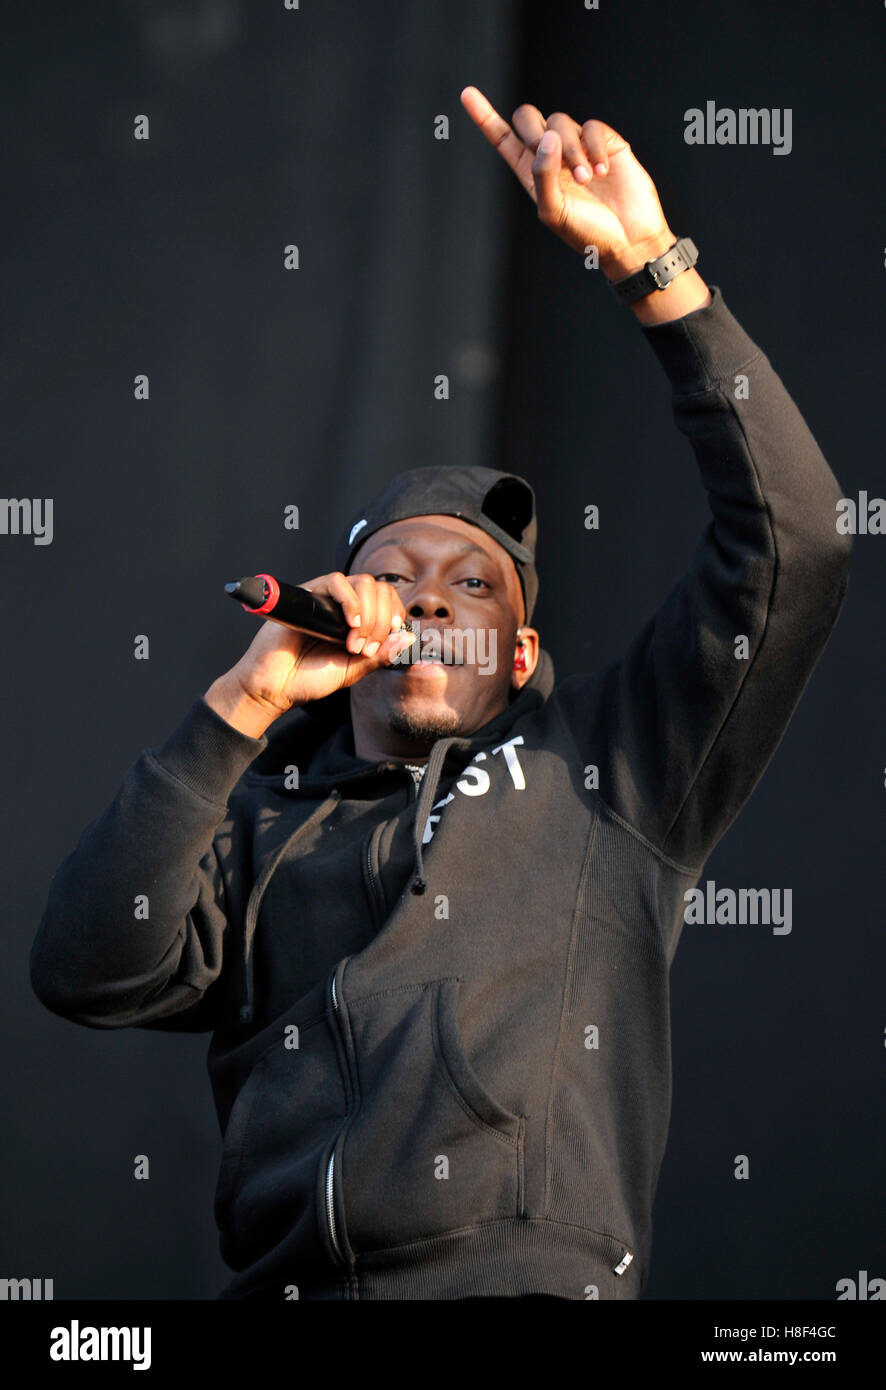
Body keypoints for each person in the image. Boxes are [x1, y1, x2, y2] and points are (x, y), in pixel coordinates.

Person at [31, 88, 852, 1301]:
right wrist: (238, 712)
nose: (426, 598)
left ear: (519, 658)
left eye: (471, 584)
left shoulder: (607, 769)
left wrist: (651, 270)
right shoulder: (261, 823)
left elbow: (797, 539)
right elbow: (88, 969)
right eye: (391, 576)